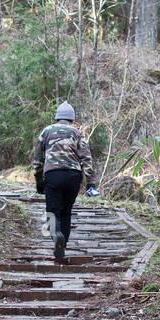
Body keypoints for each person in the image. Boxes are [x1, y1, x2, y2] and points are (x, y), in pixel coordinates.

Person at [32, 102, 99, 262]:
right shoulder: (77, 133)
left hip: (53, 174)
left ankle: (56, 235)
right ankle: (62, 246)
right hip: (73, 176)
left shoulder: (46, 131)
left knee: (52, 211)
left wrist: (38, 180)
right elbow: (86, 157)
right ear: (72, 118)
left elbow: (38, 159)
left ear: (57, 117)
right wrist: (91, 182)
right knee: (66, 211)